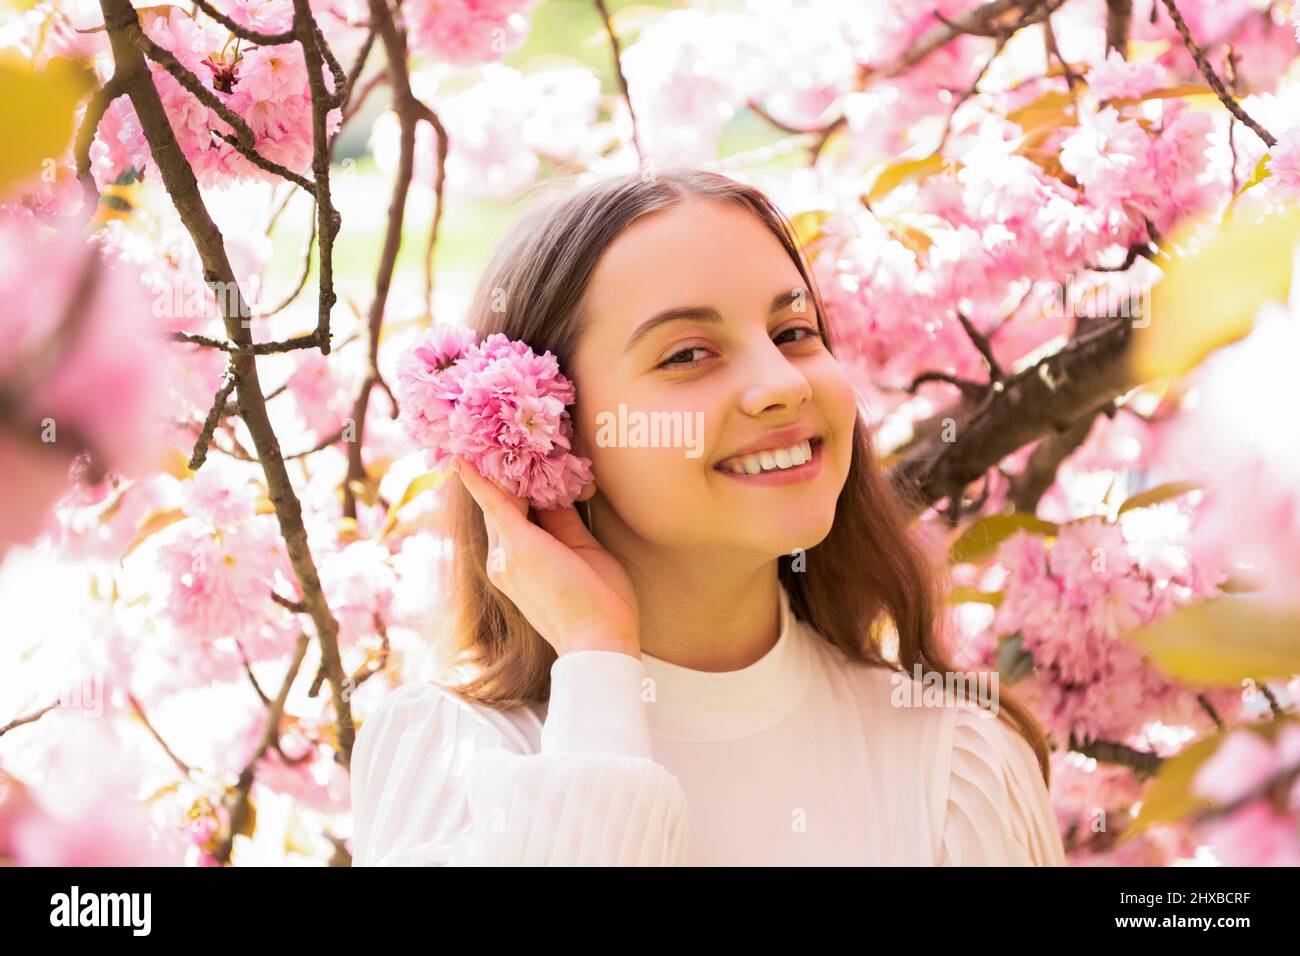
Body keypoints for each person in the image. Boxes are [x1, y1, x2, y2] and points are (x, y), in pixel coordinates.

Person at [349, 168, 1067, 866]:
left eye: (793, 332)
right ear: (545, 430)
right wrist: (597, 657)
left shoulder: (951, 764)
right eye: (689, 353)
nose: (782, 385)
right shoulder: (451, 758)